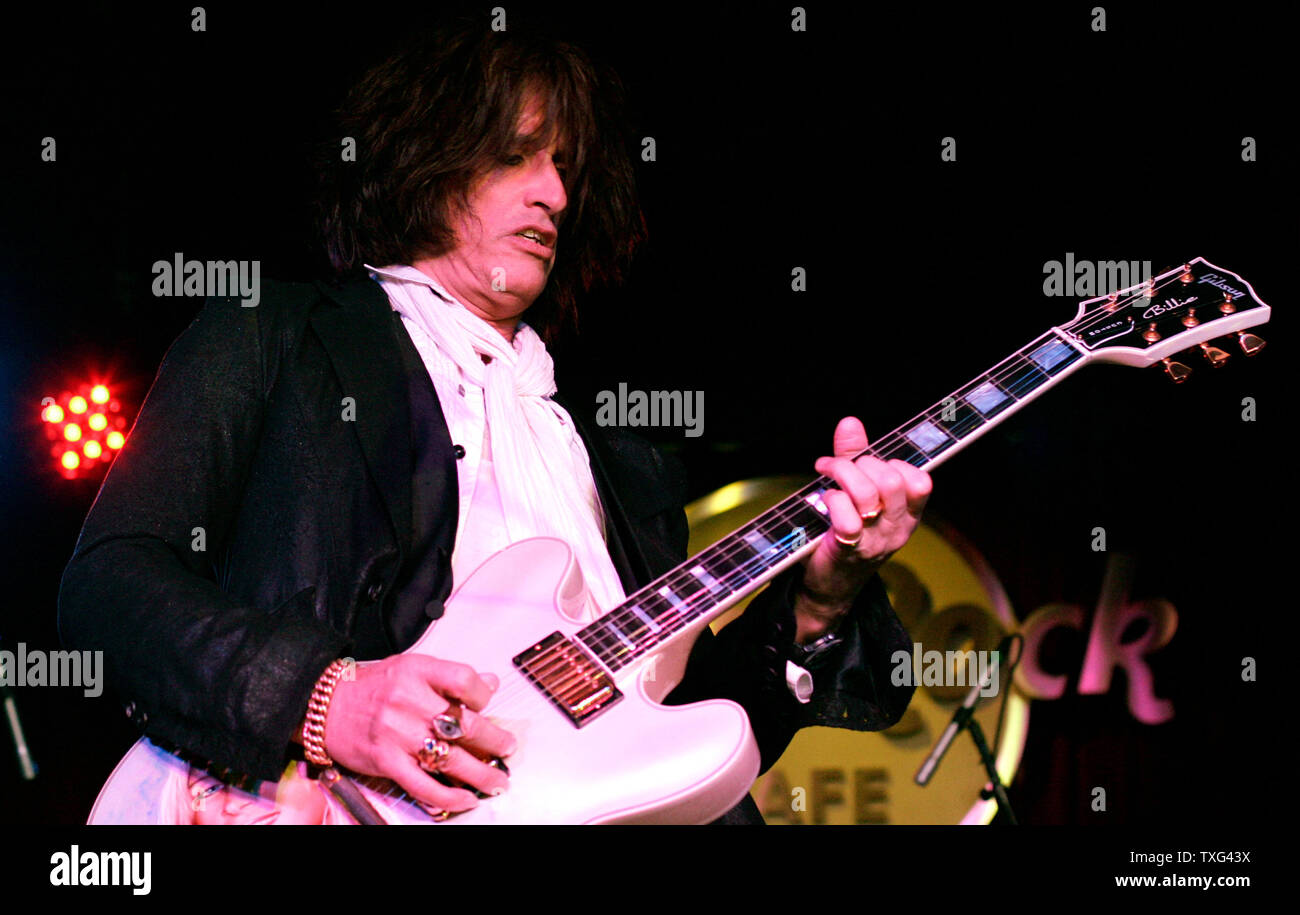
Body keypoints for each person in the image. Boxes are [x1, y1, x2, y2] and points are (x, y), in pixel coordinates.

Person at [58, 17, 931, 824]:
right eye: (518, 156)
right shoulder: (273, 335)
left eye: (566, 168)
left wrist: (821, 597)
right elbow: (110, 584)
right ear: (425, 154)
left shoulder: (619, 454)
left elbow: (685, 739)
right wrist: (325, 698)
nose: (555, 191)